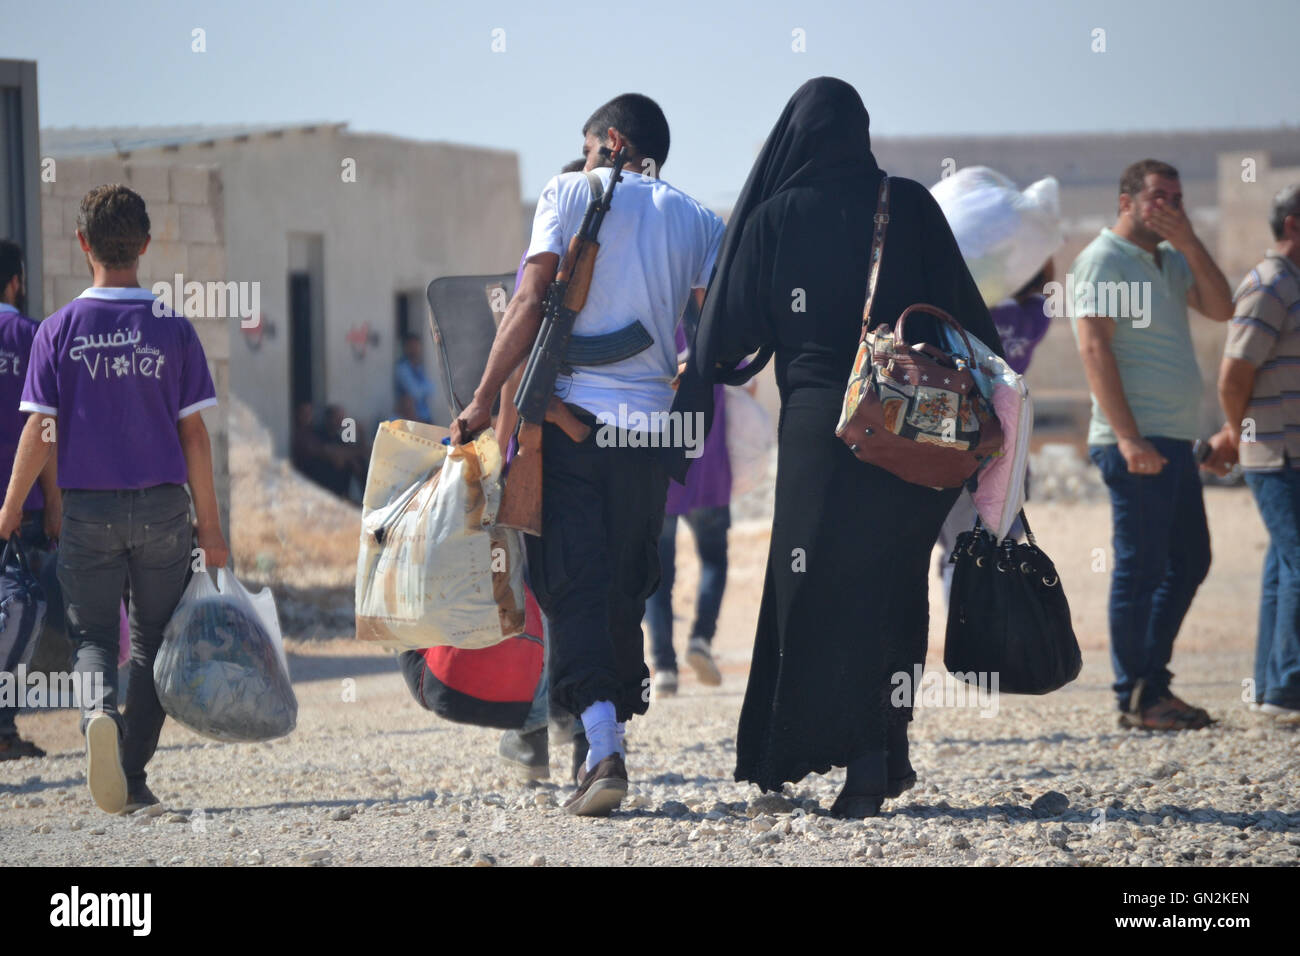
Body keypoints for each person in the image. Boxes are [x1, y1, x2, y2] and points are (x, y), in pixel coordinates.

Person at [687, 77, 1004, 818]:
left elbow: (730, 338)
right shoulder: (911, 204)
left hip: (820, 431)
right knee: (890, 586)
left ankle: (825, 758)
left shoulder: (772, 218)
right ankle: (881, 759)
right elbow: (968, 322)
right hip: (908, 432)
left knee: (811, 591)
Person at [450, 94, 724, 816]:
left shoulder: (570, 190)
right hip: (650, 438)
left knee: (571, 580)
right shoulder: (698, 219)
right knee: (624, 585)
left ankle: (602, 745)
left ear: (609, 141)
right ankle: (596, 743)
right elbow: (719, 328)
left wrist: (481, 400)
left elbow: (530, 297)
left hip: (573, 431)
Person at [0, 184, 229, 814]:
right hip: (162, 510)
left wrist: (9, 506)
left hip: (87, 510)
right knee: (157, 641)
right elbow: (195, 437)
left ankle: (98, 714)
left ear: (82, 245)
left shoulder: (57, 330)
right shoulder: (172, 326)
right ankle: (130, 773)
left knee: (94, 636)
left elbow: (40, 431)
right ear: (146, 246)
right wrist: (210, 528)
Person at [1069, 159, 1234, 731]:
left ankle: (1152, 685)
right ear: (1126, 202)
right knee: (1141, 570)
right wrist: (1128, 435)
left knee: (1189, 560)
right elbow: (1094, 350)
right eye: (1158, 197)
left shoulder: (1168, 260)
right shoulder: (1103, 260)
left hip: (1174, 439)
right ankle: (1135, 696)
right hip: (1134, 441)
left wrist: (1190, 242)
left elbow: (1223, 307)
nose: (1170, 207)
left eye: (1178, 199)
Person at [1210, 183, 1300, 720]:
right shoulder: (1270, 284)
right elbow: (1233, 374)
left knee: (1281, 569)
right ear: (1293, 225)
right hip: (1274, 452)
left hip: (1288, 452)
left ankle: (1271, 690)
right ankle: (1288, 691)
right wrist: (1234, 432)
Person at [645, 301, 730, 697]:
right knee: (714, 558)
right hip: (710, 470)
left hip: (665, 469)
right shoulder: (721, 325)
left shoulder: (663, 320)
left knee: (659, 572)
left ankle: (664, 666)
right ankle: (700, 638)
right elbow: (746, 379)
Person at [0, 239, 60, 761]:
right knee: (21, 611)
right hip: (20, 510)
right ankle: (2, 728)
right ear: (16, 281)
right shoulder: (34, 336)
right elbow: (45, 427)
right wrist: (55, 502)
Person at [395, 334, 435, 424]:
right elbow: (415, 392)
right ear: (406, 348)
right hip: (410, 419)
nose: (415, 350)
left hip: (425, 417)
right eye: (412, 346)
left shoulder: (419, 367)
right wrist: (423, 390)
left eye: (417, 346)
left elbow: (432, 389)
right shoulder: (402, 368)